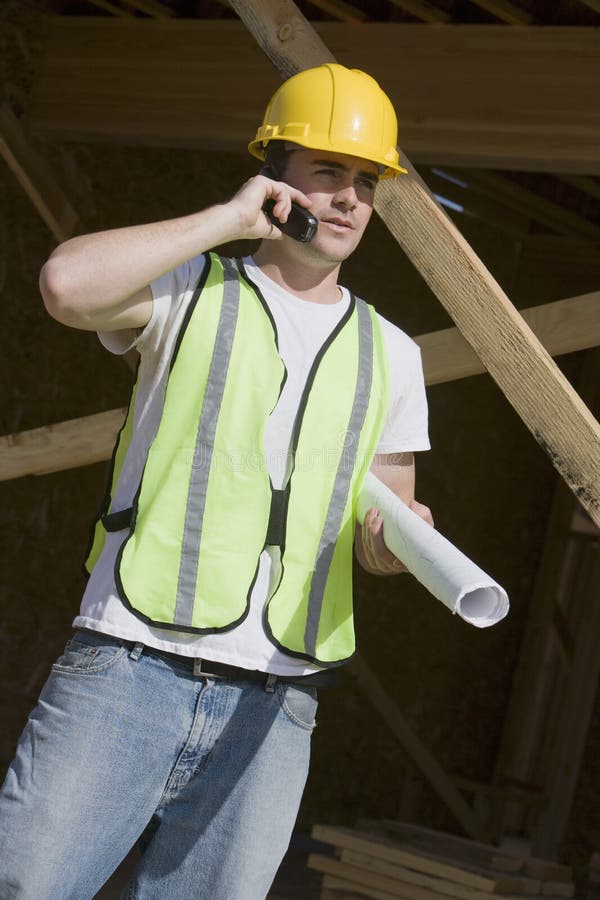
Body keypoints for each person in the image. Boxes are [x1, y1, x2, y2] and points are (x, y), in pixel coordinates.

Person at [0, 64, 432, 899]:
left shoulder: (395, 355)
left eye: (366, 183)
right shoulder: (186, 288)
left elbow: (386, 524)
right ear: (274, 175)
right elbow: (64, 285)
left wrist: (400, 546)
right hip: (130, 664)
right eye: (328, 173)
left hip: (276, 707)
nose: (348, 198)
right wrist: (229, 219)